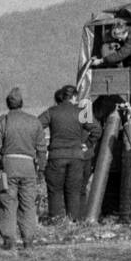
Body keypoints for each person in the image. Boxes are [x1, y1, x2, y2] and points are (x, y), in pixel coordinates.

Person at [0, 87, 46, 248]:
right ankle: (28, 240)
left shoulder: (2, 121)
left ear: (8, 104)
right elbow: (41, 148)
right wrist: (41, 170)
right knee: (28, 204)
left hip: (8, 167)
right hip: (29, 168)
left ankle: (9, 240)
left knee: (7, 203)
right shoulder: (35, 122)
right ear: (22, 103)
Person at [37, 85, 101, 222]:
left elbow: (36, 126)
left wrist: (40, 144)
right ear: (74, 97)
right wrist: (88, 144)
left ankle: (57, 220)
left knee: (55, 190)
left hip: (56, 156)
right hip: (76, 157)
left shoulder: (51, 112)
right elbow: (97, 129)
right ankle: (74, 221)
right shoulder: (81, 112)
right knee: (74, 191)